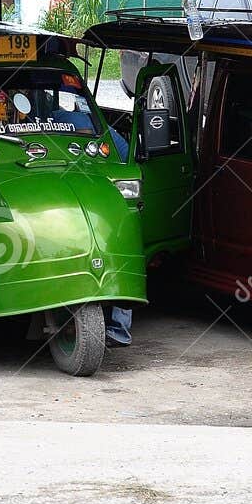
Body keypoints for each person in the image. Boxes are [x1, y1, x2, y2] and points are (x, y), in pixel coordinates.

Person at [106, 124, 133, 348]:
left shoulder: (101, 131)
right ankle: (118, 328)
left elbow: (128, 161)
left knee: (122, 257)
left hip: (112, 205)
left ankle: (118, 328)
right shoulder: (99, 127)